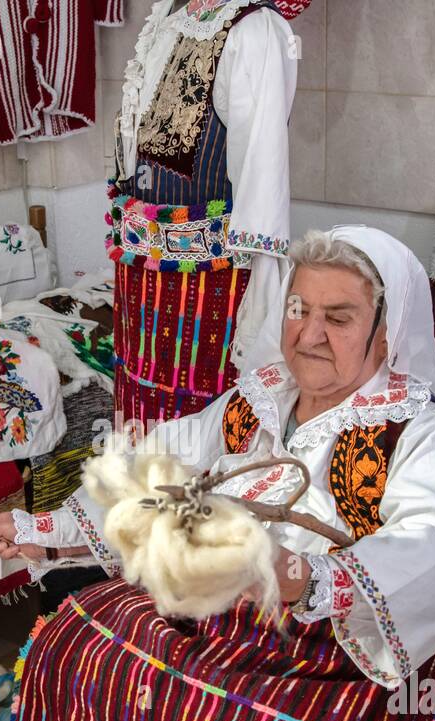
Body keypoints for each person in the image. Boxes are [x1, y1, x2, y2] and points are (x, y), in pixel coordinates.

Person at [0, 227, 435, 721]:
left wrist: (303, 576)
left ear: (388, 332)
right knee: (78, 641)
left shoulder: (420, 430)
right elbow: (159, 466)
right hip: (222, 619)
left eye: (339, 317)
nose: (309, 334)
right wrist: (44, 528)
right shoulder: (263, 394)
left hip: (336, 655)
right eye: (300, 310)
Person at [107, 0, 303, 429]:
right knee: (140, 419)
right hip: (139, 281)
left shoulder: (254, 30)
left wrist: (260, 313)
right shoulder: (170, 15)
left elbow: (262, 182)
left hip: (209, 292)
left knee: (199, 431)